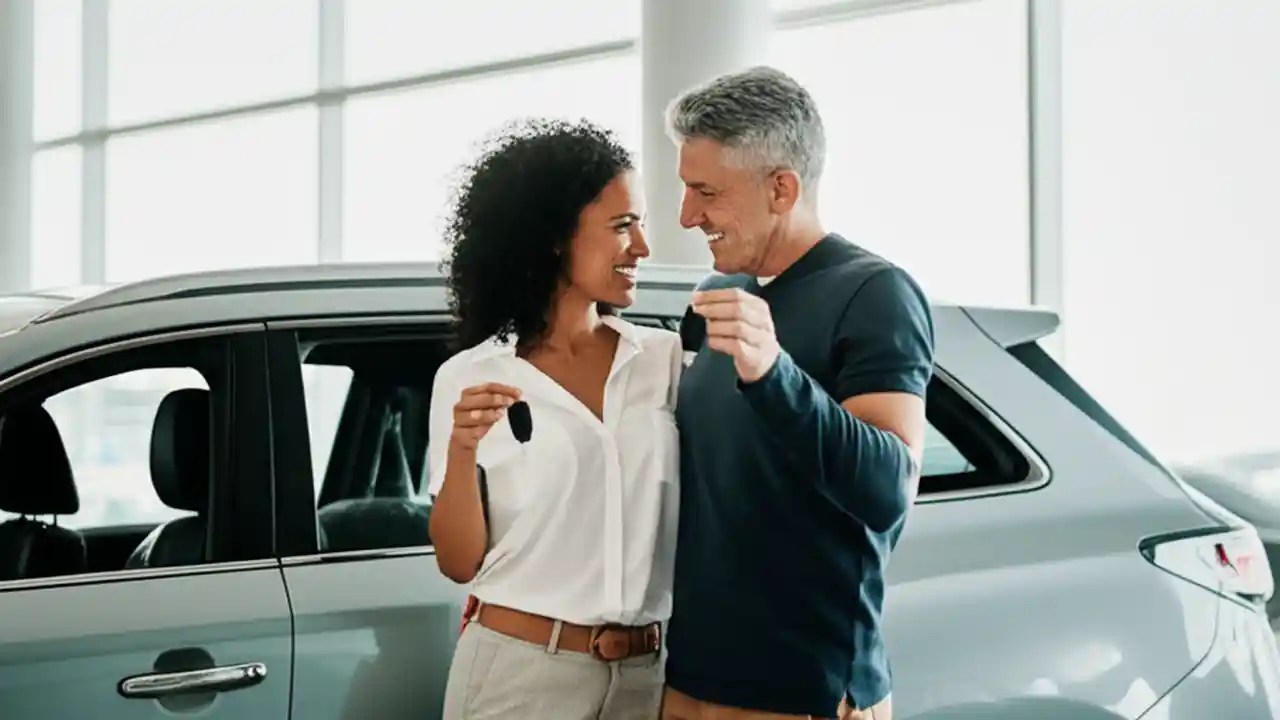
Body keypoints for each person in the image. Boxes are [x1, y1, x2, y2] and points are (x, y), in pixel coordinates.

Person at [659, 67, 936, 720]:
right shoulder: (717, 296)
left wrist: (773, 373)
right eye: (686, 189)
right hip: (689, 684)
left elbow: (887, 488)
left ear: (781, 188)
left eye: (706, 192)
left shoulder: (875, 294)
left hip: (802, 694)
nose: (687, 215)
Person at [426, 117, 682, 719]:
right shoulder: (469, 376)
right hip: (519, 679)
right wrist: (461, 451)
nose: (642, 247)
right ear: (554, 237)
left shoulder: (666, 361)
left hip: (645, 680)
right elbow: (458, 563)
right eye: (622, 226)